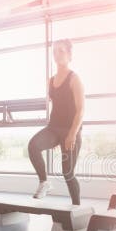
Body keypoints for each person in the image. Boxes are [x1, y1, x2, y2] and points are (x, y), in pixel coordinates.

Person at [28, 39, 85, 204]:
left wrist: (72, 134)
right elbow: (57, 106)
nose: (57, 54)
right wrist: (52, 137)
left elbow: (80, 110)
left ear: (69, 55)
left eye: (61, 51)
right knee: (33, 146)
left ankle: (77, 206)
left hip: (70, 130)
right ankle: (44, 182)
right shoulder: (50, 81)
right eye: (55, 51)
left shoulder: (74, 79)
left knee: (68, 173)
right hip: (53, 129)